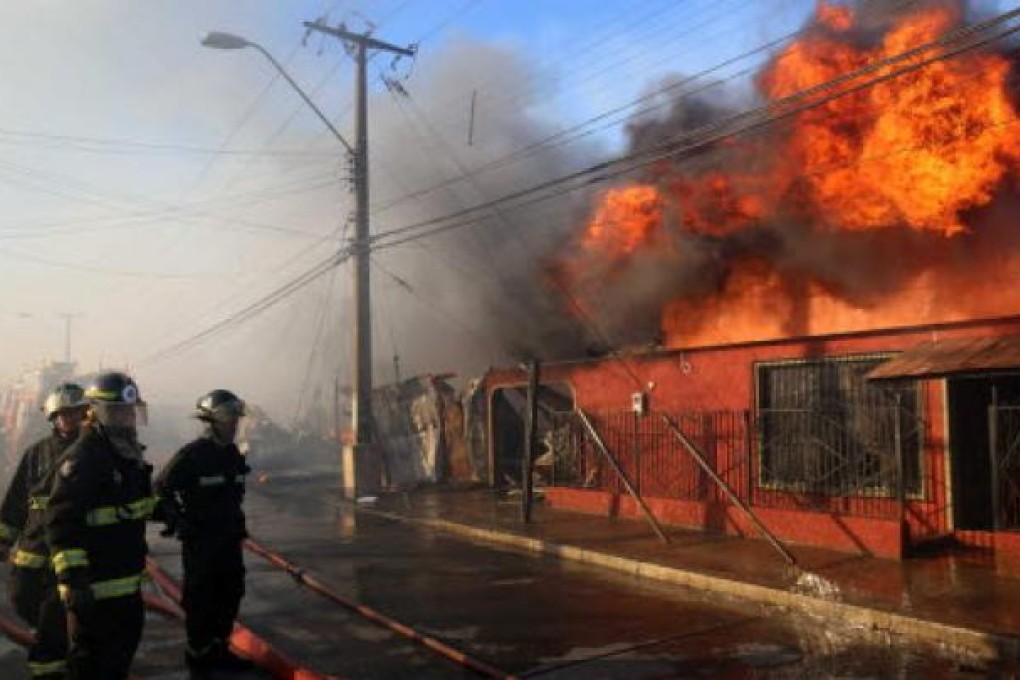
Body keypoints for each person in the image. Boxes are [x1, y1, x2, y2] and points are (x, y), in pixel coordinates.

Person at [45, 371, 154, 680]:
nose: (127, 418)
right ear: (95, 413)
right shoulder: (83, 459)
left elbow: (136, 505)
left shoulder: (127, 454)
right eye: (118, 411)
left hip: (127, 588)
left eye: (130, 411)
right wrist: (73, 580)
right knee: (89, 668)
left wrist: (169, 510)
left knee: (119, 663)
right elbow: (60, 522)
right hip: (92, 593)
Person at [155, 389, 253, 674]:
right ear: (210, 421)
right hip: (201, 542)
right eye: (227, 417)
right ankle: (199, 660)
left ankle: (220, 651)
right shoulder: (192, 455)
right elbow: (160, 490)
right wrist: (177, 519)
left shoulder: (232, 454)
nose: (234, 423)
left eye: (236, 417)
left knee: (231, 593)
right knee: (202, 600)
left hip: (229, 540)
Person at [0, 383, 87, 679]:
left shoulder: (92, 453)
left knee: (54, 617)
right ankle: (53, 636)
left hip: (70, 551)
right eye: (61, 415)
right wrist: (3, 540)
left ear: (85, 414)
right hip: (33, 548)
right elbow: (14, 502)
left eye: (73, 413)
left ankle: (51, 667)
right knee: (20, 597)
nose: (67, 420)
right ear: (52, 417)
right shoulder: (36, 453)